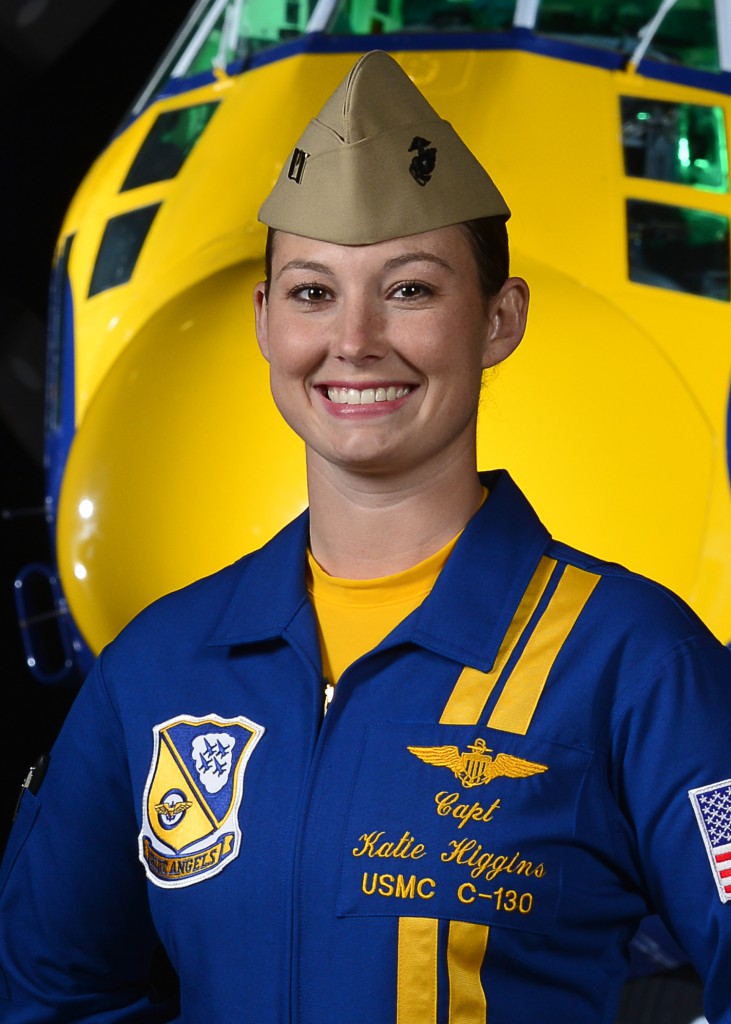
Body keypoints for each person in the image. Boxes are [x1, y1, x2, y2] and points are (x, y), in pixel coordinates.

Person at [0, 49, 730, 1024]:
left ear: (499, 321)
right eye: (310, 292)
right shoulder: (159, 669)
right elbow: (51, 992)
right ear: (263, 322)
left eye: (410, 290)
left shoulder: (634, 664)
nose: (352, 341)